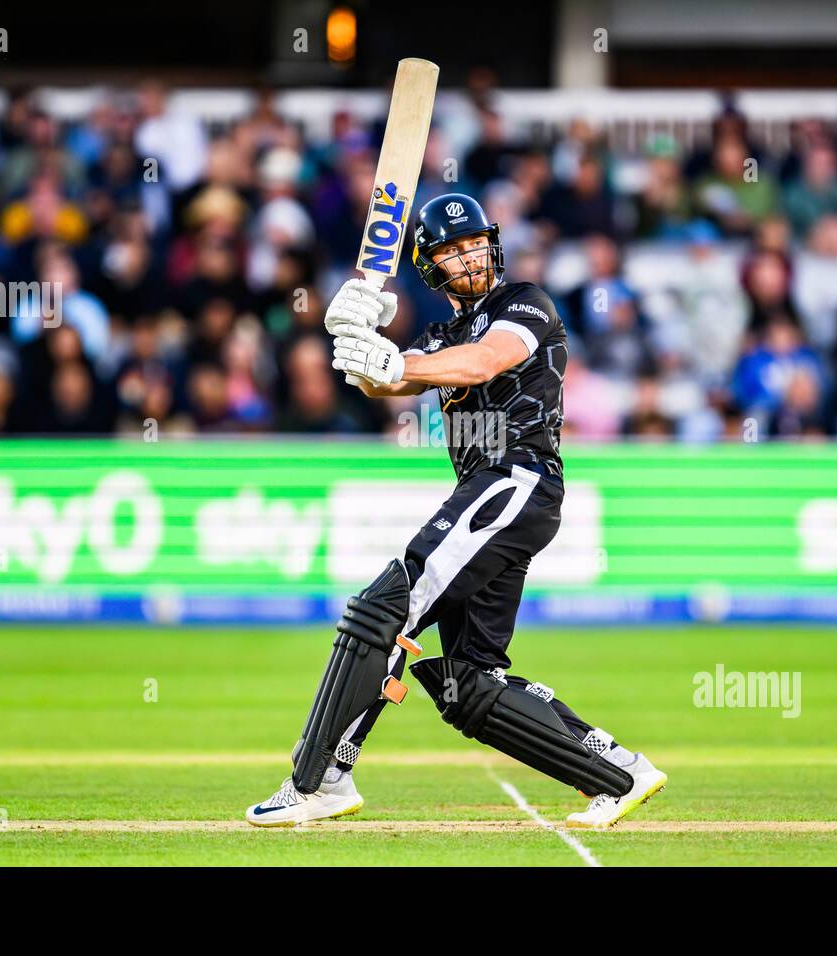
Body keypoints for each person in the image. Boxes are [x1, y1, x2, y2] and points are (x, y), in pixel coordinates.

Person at [246, 193, 666, 829]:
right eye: (451, 250)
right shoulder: (438, 335)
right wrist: (354, 332)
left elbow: (485, 359)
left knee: (387, 605)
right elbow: (388, 382)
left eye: (474, 243)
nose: (469, 257)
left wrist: (394, 359)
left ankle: (319, 779)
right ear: (431, 268)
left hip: (517, 480)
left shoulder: (525, 303)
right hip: (493, 492)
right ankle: (617, 773)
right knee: (467, 684)